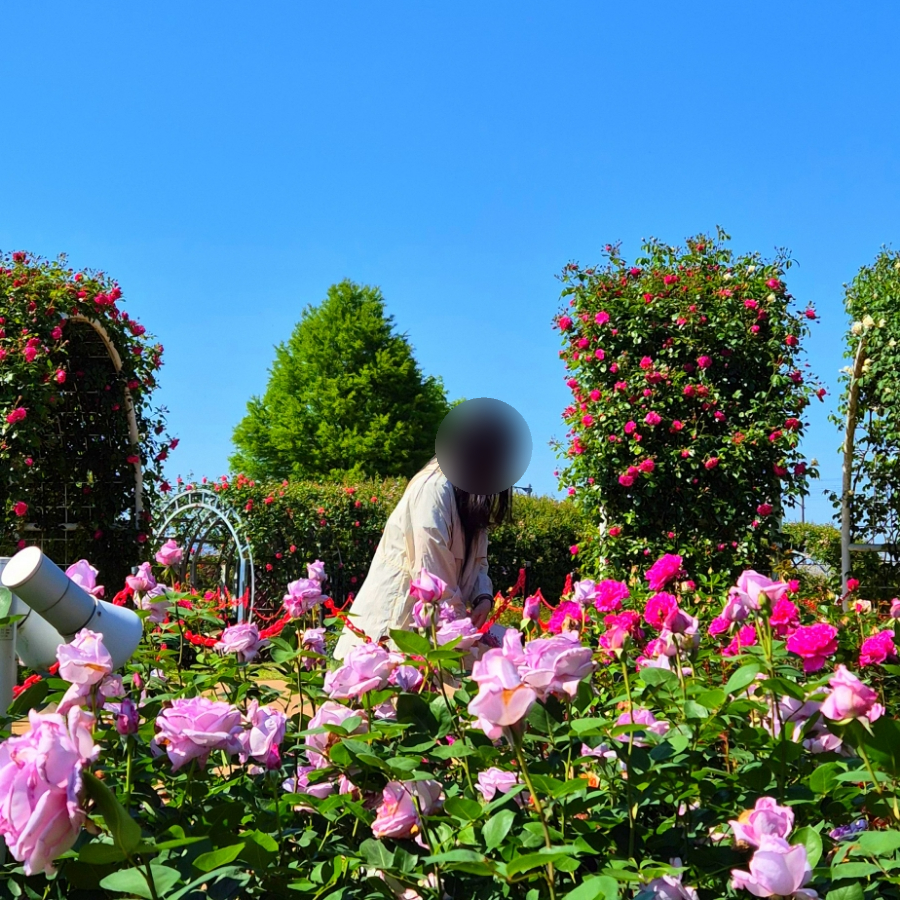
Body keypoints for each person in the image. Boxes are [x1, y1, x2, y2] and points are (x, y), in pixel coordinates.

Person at [333, 457, 511, 659]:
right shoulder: (433, 490)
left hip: (435, 628)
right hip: (393, 627)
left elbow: (477, 562)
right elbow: (434, 579)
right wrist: (465, 630)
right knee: (390, 674)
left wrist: (483, 597)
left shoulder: (473, 498)